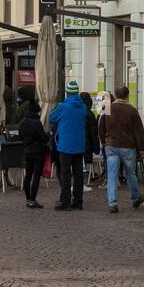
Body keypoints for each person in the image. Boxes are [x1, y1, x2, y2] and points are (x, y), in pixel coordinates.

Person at [99, 85, 144, 214]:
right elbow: (138, 131)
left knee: (112, 174)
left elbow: (101, 125)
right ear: (127, 95)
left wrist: (104, 141)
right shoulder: (131, 110)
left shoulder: (107, 107)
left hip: (111, 145)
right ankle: (135, 197)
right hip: (127, 147)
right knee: (131, 173)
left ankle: (112, 202)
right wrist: (142, 148)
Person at [50, 80, 88, 211]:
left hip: (65, 145)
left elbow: (52, 117)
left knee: (65, 174)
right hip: (79, 145)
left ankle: (65, 200)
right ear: (77, 93)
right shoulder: (83, 107)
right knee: (78, 174)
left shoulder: (63, 106)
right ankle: (78, 201)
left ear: (67, 93)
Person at [18, 98, 48, 209]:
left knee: (28, 175)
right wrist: (47, 136)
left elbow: (20, 136)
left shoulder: (22, 122)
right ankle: (32, 199)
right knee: (36, 177)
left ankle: (27, 199)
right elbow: (43, 138)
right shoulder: (37, 123)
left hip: (27, 151)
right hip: (38, 152)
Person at [80, 91, 100, 192]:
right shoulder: (90, 114)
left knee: (79, 164)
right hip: (87, 144)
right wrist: (96, 148)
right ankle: (82, 184)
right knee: (84, 166)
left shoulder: (78, 112)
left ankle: (78, 184)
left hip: (78, 143)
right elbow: (93, 133)